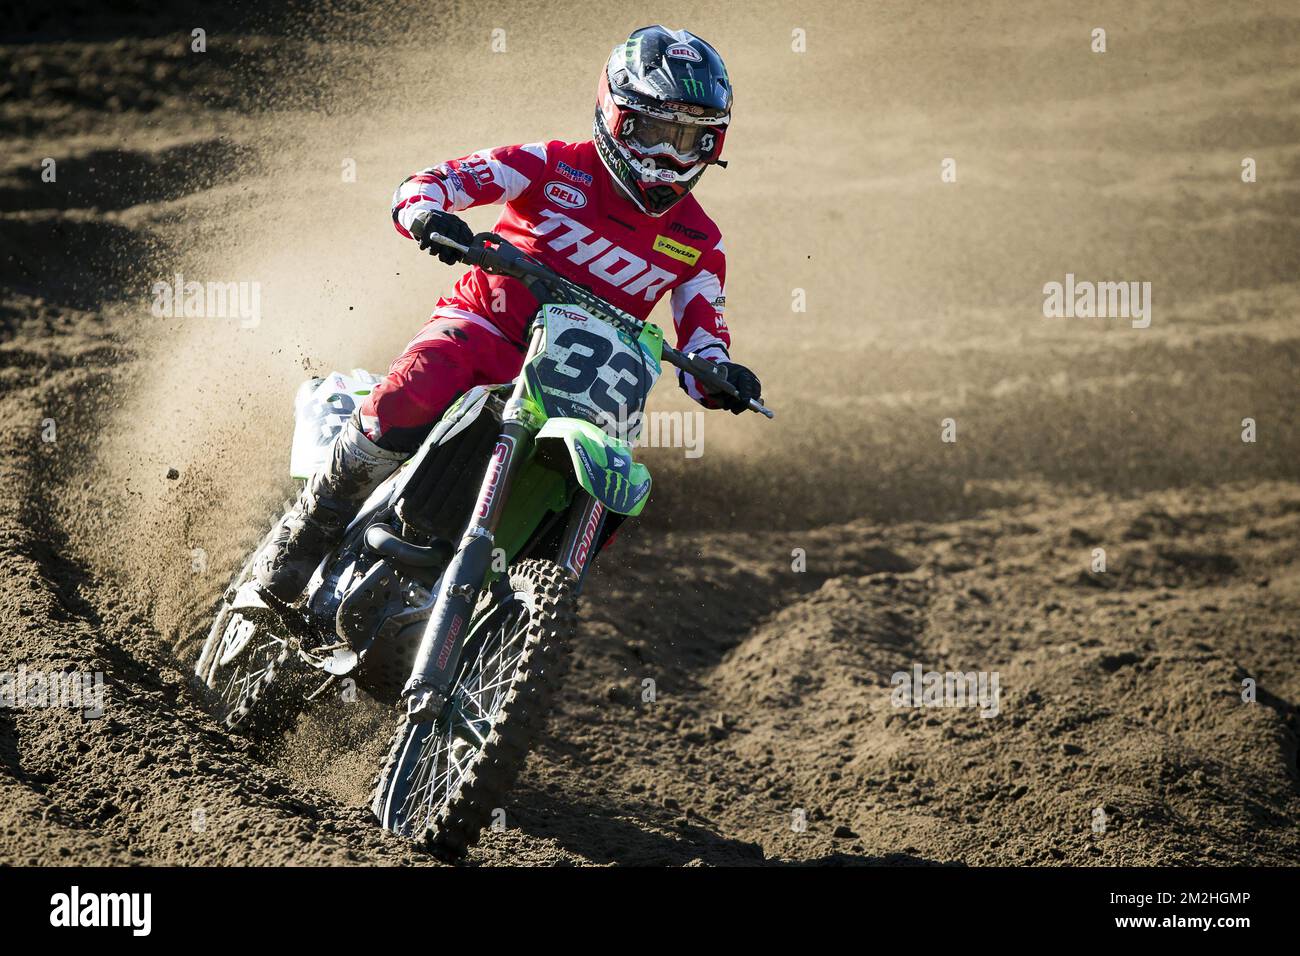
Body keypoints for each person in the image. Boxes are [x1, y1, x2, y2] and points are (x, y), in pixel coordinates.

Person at [255, 24, 763, 600]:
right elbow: (432, 183)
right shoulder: (549, 165)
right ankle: (311, 526)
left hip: (586, 386)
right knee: (414, 390)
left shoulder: (699, 240)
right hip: (485, 331)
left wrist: (723, 378)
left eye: (691, 139)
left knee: (605, 491)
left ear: (713, 145)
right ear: (617, 116)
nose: (670, 155)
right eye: (655, 131)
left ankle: (508, 617)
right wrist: (428, 215)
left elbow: (702, 344)